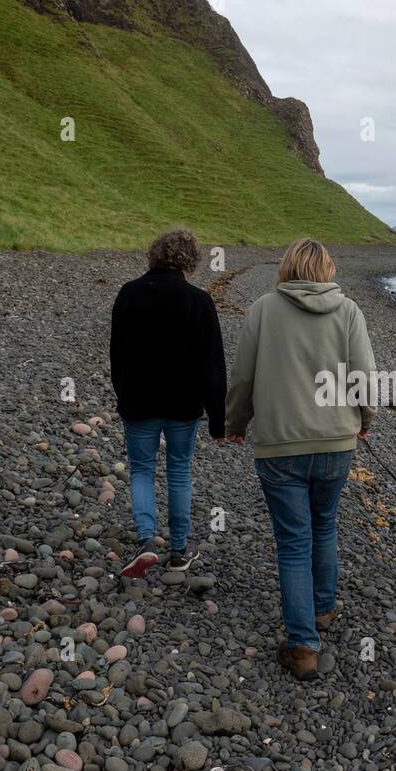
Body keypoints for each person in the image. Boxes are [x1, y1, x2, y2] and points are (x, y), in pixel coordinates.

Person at [225, 238, 376, 680]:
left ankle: (304, 644)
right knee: (324, 523)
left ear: (287, 267)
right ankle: (323, 608)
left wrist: (236, 423)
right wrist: (364, 420)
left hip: (280, 446)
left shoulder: (263, 309)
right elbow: (363, 376)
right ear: (327, 268)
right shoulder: (348, 311)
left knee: (293, 540)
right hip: (336, 443)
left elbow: (244, 376)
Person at [110, 229, 226, 578]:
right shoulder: (199, 301)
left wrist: (123, 394)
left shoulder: (129, 294)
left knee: (142, 469)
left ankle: (146, 541)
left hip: (138, 401)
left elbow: (118, 354)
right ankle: (178, 550)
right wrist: (219, 420)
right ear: (190, 261)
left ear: (154, 255)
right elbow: (213, 366)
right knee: (179, 470)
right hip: (184, 404)